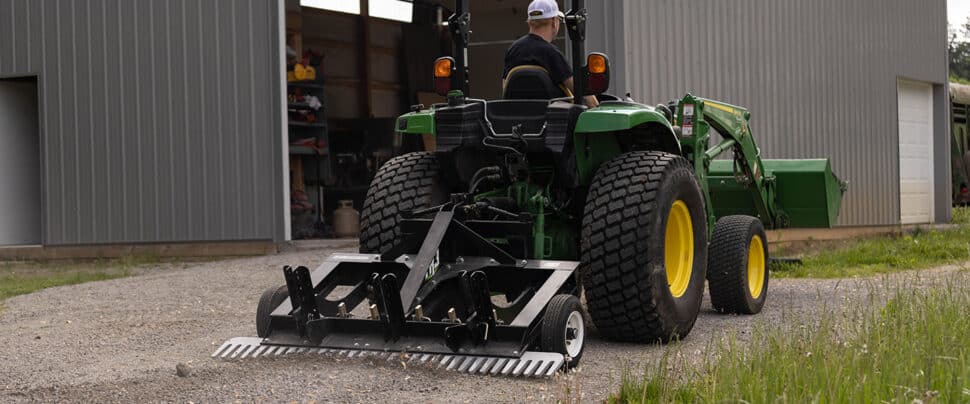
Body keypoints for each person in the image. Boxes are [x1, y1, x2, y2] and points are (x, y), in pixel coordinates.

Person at [502, 0, 599, 107]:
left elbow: (505, 87)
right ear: (554, 21)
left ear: (530, 21)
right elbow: (581, 92)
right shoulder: (551, 53)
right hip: (554, 121)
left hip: (516, 119)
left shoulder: (513, 50)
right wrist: (596, 108)